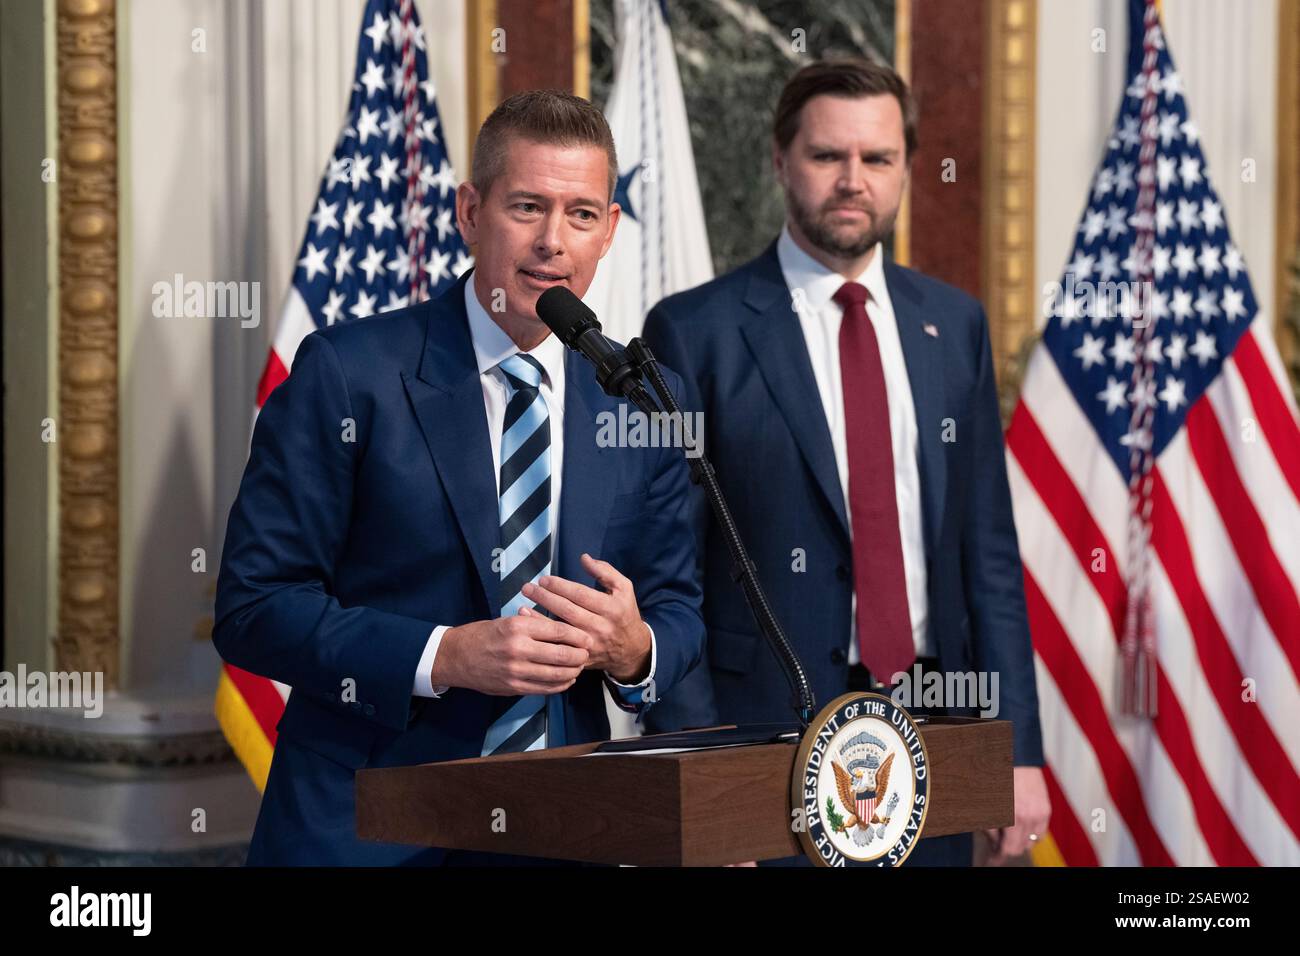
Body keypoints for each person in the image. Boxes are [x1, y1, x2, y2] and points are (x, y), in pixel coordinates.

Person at [214, 89, 704, 866]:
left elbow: (678, 604)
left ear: (610, 232)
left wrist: (633, 645)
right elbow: (253, 604)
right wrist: (443, 656)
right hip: (366, 825)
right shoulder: (349, 374)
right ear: (469, 210)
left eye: (580, 214)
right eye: (526, 207)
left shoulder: (645, 398)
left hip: (561, 825)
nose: (552, 242)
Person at [641, 58, 1050, 866]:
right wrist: (694, 763)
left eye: (878, 158)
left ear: (906, 167)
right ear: (780, 160)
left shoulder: (953, 325)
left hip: (937, 733)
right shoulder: (696, 332)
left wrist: (1019, 748)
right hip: (761, 747)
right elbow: (667, 566)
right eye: (828, 156)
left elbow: (989, 556)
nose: (853, 180)